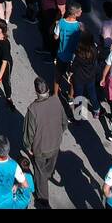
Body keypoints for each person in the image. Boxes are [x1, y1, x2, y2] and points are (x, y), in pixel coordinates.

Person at [22, 76, 68, 208]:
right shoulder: (56, 101)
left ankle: (43, 199)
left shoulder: (33, 109)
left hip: (40, 148)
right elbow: (64, 123)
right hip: (55, 144)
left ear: (36, 91)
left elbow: (29, 133)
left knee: (39, 172)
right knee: (49, 167)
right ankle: (47, 176)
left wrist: (28, 147)